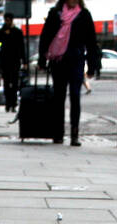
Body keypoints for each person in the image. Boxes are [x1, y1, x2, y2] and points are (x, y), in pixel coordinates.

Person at [39, 0, 101, 146]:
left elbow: (91, 41)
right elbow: (46, 36)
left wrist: (92, 66)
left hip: (76, 60)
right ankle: (58, 133)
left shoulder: (84, 15)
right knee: (59, 98)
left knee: (75, 96)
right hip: (58, 61)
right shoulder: (55, 14)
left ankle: (74, 133)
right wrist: (42, 60)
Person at [0, 12, 25, 112]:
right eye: (6, 20)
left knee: (15, 83)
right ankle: (8, 103)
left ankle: (13, 103)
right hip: (5, 61)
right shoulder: (1, 32)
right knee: (6, 83)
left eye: (8, 20)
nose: (7, 22)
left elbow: (21, 47)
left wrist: (24, 61)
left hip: (15, 60)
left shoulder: (17, 32)